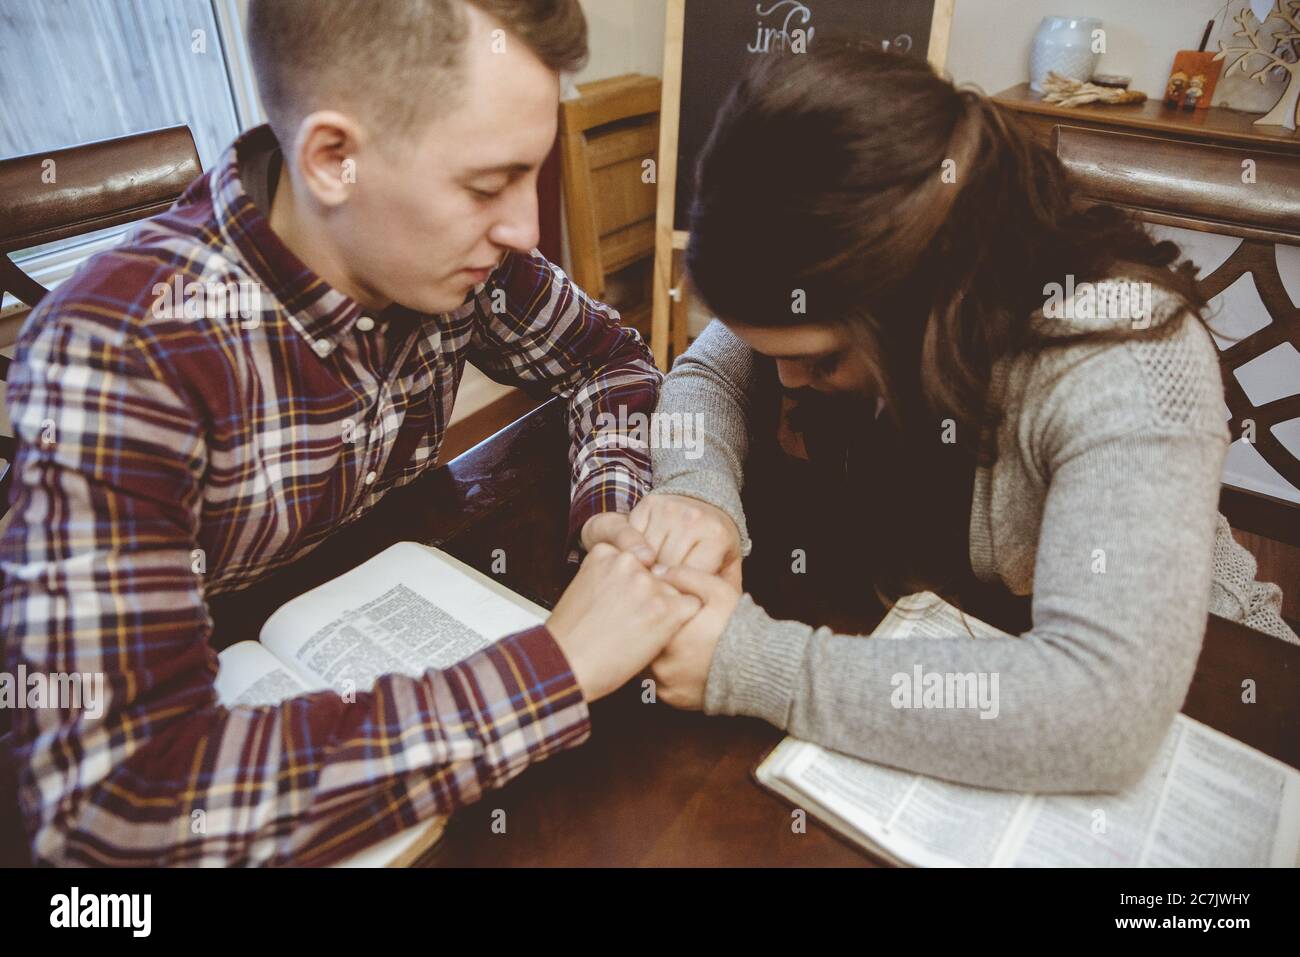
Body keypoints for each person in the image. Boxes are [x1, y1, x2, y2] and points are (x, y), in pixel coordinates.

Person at [0, 0, 694, 866]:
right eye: (487, 185)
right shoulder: (118, 351)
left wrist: (608, 518)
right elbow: (116, 803)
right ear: (333, 159)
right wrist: (552, 667)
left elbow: (613, 363)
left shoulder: (467, 263)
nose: (524, 226)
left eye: (531, 174)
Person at [633, 46, 1297, 795]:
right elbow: (703, 375)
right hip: (946, 625)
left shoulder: (1127, 357)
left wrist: (751, 664)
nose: (786, 380)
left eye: (820, 361)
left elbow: (1100, 713)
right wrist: (697, 493)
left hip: (1219, 698)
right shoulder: (842, 270)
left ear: (919, 295)